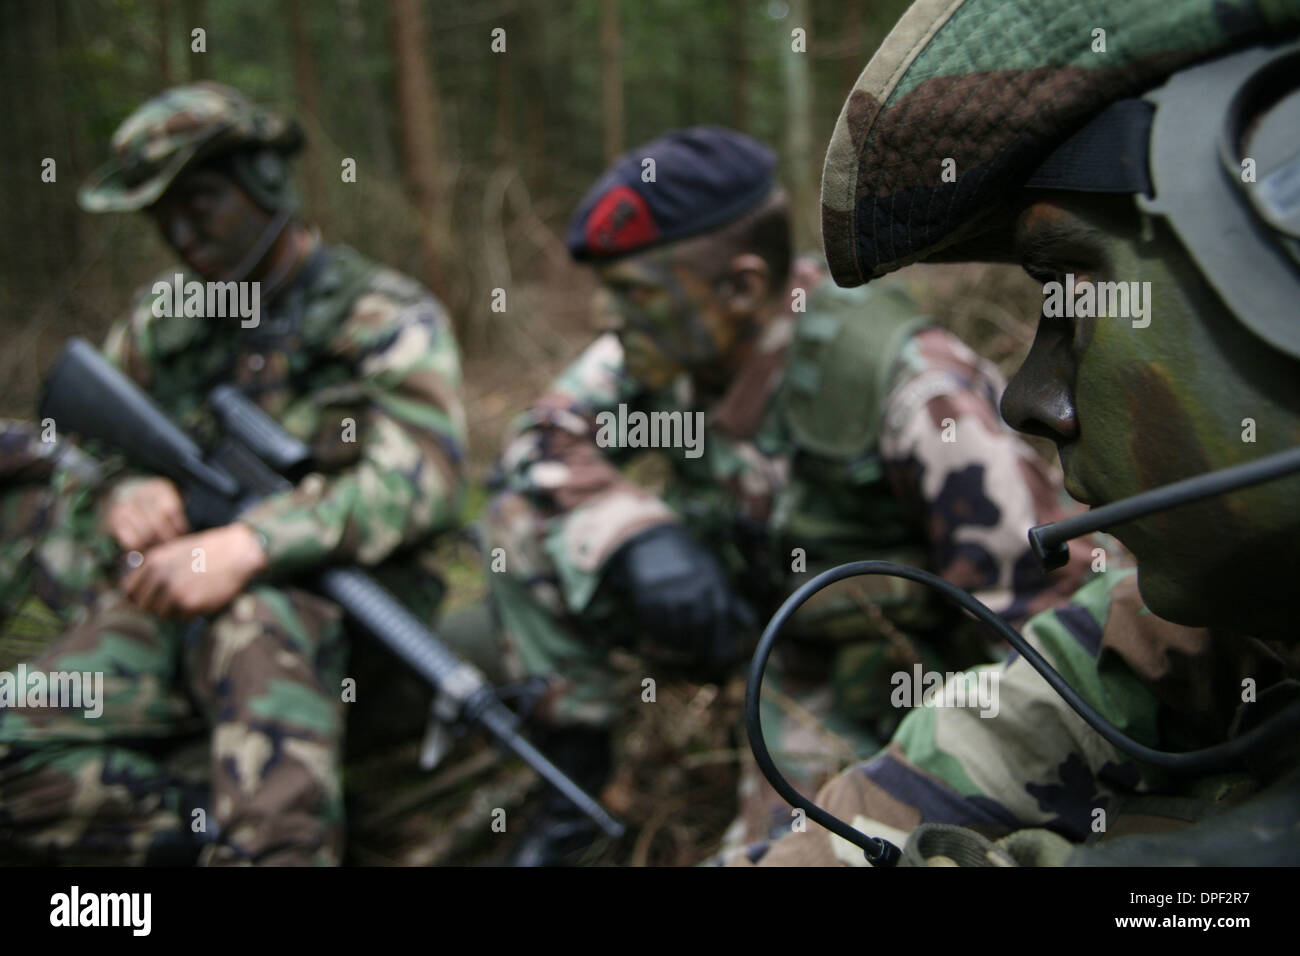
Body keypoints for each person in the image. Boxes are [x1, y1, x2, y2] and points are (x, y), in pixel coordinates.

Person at [737, 0, 1300, 866]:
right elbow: (968, 752)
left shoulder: (905, 386)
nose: (1029, 401)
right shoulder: (1222, 623)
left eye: (1071, 297)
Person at [480, 126, 1092, 865]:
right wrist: (634, 533)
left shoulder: (907, 390)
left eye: (632, 294)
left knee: (784, 855)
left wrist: (945, 763)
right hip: (740, 617)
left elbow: (1046, 632)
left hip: (866, 676)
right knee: (518, 525)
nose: (610, 319)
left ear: (740, 286)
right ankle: (576, 793)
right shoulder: (666, 343)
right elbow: (539, 440)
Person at [0, 82, 467, 865]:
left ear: (268, 185)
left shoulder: (382, 315)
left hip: (340, 602)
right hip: (175, 599)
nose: (182, 234)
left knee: (261, 619)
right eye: (163, 217)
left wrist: (251, 544)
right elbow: (75, 451)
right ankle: (210, 837)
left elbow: (422, 482)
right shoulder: (165, 321)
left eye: (203, 202)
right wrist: (121, 493)